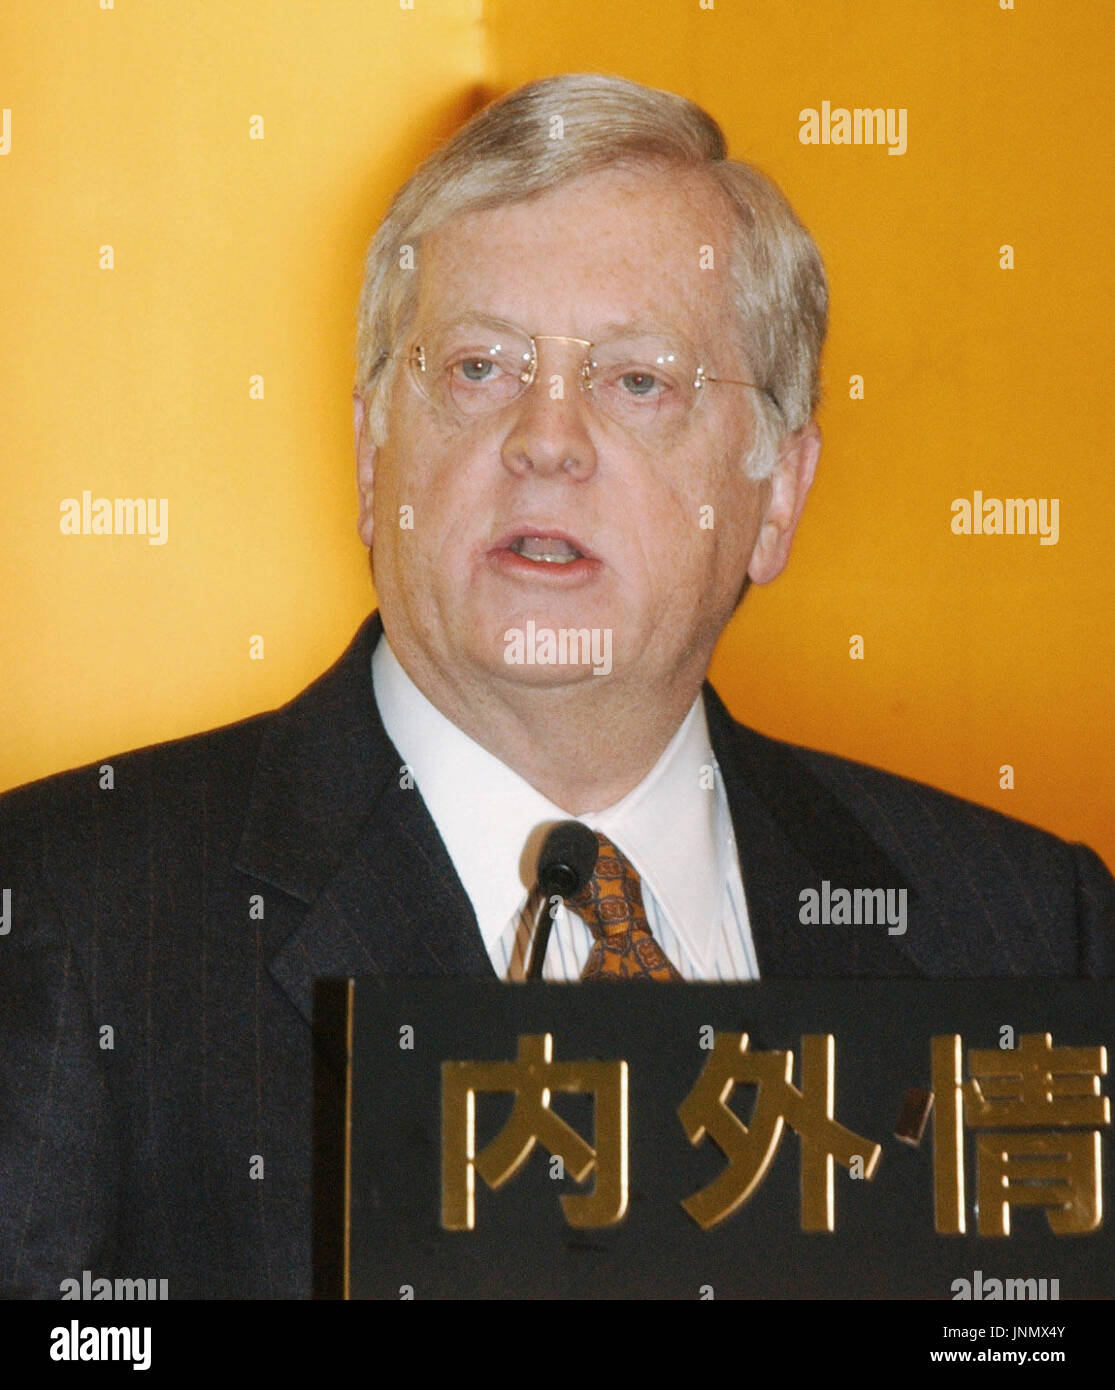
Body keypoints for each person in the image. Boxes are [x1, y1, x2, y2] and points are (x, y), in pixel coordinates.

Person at [1, 74, 1111, 1299]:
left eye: (638, 382)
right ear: (375, 456)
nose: (546, 437)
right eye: (478, 367)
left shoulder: (1020, 929)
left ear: (776, 493)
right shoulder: (71, 914)